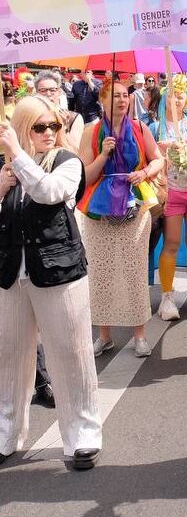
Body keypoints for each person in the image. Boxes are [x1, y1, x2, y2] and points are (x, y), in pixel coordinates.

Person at [0, 96, 102, 469]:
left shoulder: (68, 162)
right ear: (24, 127)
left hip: (59, 271)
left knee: (71, 353)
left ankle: (82, 436)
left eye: (54, 126)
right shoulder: (7, 167)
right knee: (9, 355)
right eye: (40, 127)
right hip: (12, 272)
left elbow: (49, 193)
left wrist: (16, 154)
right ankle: (5, 433)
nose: (49, 133)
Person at [77, 77, 164, 358]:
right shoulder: (91, 131)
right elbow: (84, 176)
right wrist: (103, 155)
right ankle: (104, 335)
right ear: (102, 100)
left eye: (125, 95)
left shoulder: (140, 128)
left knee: (133, 270)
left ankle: (139, 335)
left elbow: (158, 159)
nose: (122, 100)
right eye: (115, 96)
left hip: (134, 205)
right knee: (101, 272)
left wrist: (146, 173)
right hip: (98, 209)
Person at [150, 74, 187, 320]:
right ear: (165, 96)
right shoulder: (155, 127)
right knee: (172, 243)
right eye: (174, 93)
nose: (178, 98)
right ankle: (166, 297)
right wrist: (162, 150)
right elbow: (150, 157)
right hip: (171, 192)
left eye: (182, 94)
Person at [34, 70, 83, 152]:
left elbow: (75, 150)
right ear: (36, 93)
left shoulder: (73, 118)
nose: (48, 94)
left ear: (59, 92)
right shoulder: (31, 117)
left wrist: (63, 127)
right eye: (43, 90)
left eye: (52, 90)